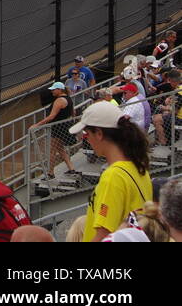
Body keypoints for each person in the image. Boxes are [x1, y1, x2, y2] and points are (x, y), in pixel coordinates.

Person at [71, 101, 153, 241]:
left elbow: (103, 235)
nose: (87, 139)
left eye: (87, 134)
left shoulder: (113, 176)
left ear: (99, 133)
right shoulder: (138, 167)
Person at [31, 81, 74, 178]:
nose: (52, 92)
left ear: (59, 90)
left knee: (52, 151)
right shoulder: (68, 98)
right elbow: (73, 112)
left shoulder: (59, 100)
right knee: (61, 149)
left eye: (54, 90)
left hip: (57, 128)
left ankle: (50, 173)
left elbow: (51, 116)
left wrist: (37, 125)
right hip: (63, 126)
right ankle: (71, 168)